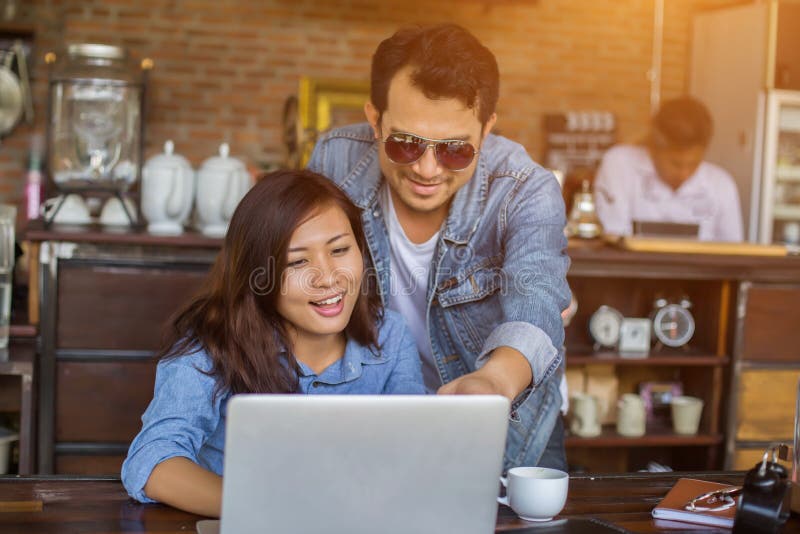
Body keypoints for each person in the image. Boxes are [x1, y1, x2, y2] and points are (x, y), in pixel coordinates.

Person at [308, 24, 571, 471]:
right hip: (372, 415)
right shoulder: (335, 161)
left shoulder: (526, 189)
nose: (427, 170)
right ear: (375, 120)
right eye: (405, 144)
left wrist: (493, 381)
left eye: (454, 150)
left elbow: (538, 300)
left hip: (505, 426)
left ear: (486, 130)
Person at [121, 169, 425, 517]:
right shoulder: (211, 344)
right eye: (297, 261)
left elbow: (413, 451)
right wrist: (269, 510)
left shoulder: (390, 336)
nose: (328, 278)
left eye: (340, 249)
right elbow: (152, 462)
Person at [594, 95, 743, 241]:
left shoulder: (721, 184)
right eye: (675, 163)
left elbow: (733, 252)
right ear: (653, 148)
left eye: (693, 164)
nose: (684, 174)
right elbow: (612, 238)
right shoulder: (620, 164)